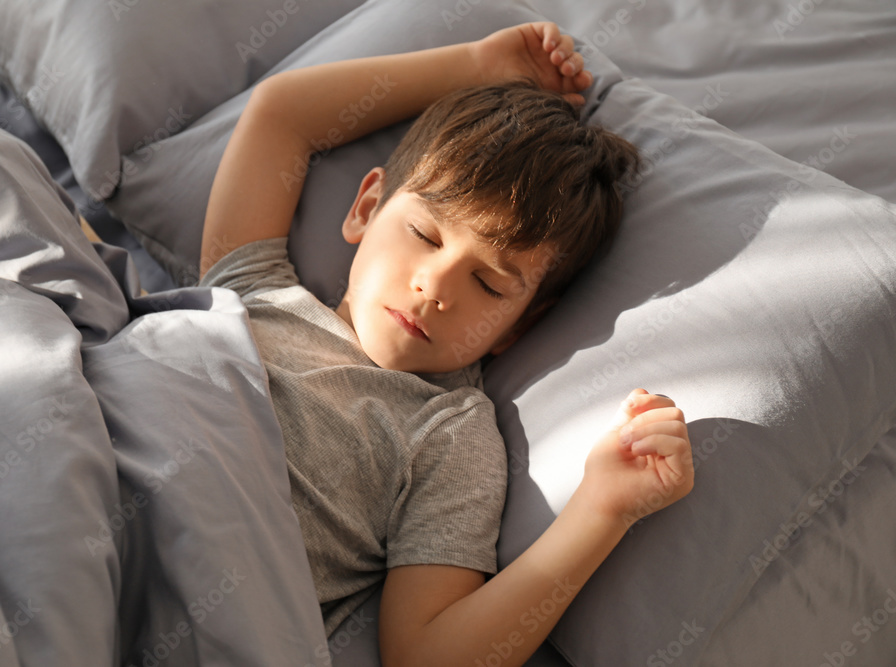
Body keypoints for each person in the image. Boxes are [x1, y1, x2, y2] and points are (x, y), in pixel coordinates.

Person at [198, 20, 694, 667]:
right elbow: (280, 115)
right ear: (366, 207)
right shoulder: (251, 290)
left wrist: (600, 510)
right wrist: (473, 66)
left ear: (519, 326)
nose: (434, 285)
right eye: (426, 235)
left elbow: (427, 654)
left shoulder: (449, 435)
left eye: (487, 284)